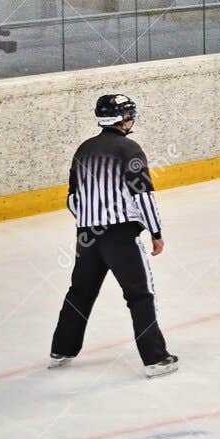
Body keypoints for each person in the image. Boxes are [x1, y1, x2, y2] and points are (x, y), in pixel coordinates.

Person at [49, 94, 179, 378]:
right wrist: (155, 231)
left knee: (80, 293)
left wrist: (89, 223)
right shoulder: (129, 148)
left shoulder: (83, 150)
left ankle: (62, 350)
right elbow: (143, 194)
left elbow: (72, 199)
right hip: (121, 235)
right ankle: (156, 359)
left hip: (87, 236)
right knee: (140, 296)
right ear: (123, 119)